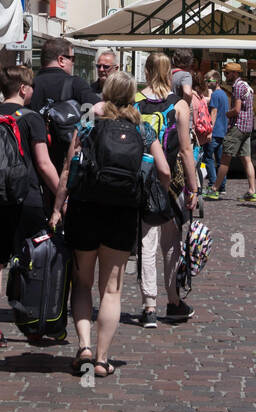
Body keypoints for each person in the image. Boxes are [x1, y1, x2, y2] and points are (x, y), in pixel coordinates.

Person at [50, 72, 169, 376]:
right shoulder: (141, 127)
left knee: (82, 283)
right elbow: (164, 170)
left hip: (86, 209)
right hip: (123, 213)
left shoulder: (89, 120)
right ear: (132, 95)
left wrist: (57, 207)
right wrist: (155, 192)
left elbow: (68, 168)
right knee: (112, 290)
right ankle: (103, 360)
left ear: (105, 92)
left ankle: (84, 347)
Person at [0, 65, 60, 349]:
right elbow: (44, 164)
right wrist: (62, 195)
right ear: (23, 88)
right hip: (25, 197)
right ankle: (33, 325)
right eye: (31, 87)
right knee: (33, 262)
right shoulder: (31, 118)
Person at [133, 53, 199, 327]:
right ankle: (173, 300)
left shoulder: (133, 102)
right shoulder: (180, 105)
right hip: (171, 180)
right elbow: (185, 150)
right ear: (170, 72)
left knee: (146, 243)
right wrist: (194, 187)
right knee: (171, 243)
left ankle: (149, 305)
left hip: (143, 179)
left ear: (147, 70)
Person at [28, 38, 97, 175]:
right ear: (61, 60)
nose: (73, 63)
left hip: (32, 163)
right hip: (66, 164)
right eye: (72, 58)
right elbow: (95, 109)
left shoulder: (28, 86)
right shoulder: (75, 83)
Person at [206, 62, 256, 203]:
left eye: (227, 73)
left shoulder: (237, 86)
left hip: (238, 126)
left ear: (235, 73)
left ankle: (215, 189)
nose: (226, 76)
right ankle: (252, 190)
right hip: (247, 127)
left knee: (225, 159)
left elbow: (237, 109)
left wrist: (226, 114)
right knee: (247, 159)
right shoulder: (246, 86)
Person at [201, 70, 227, 189]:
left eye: (209, 80)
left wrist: (210, 130)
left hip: (215, 131)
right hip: (222, 131)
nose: (207, 82)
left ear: (216, 81)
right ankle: (221, 185)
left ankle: (213, 183)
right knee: (221, 160)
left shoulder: (216, 95)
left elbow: (214, 112)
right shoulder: (224, 94)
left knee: (208, 158)